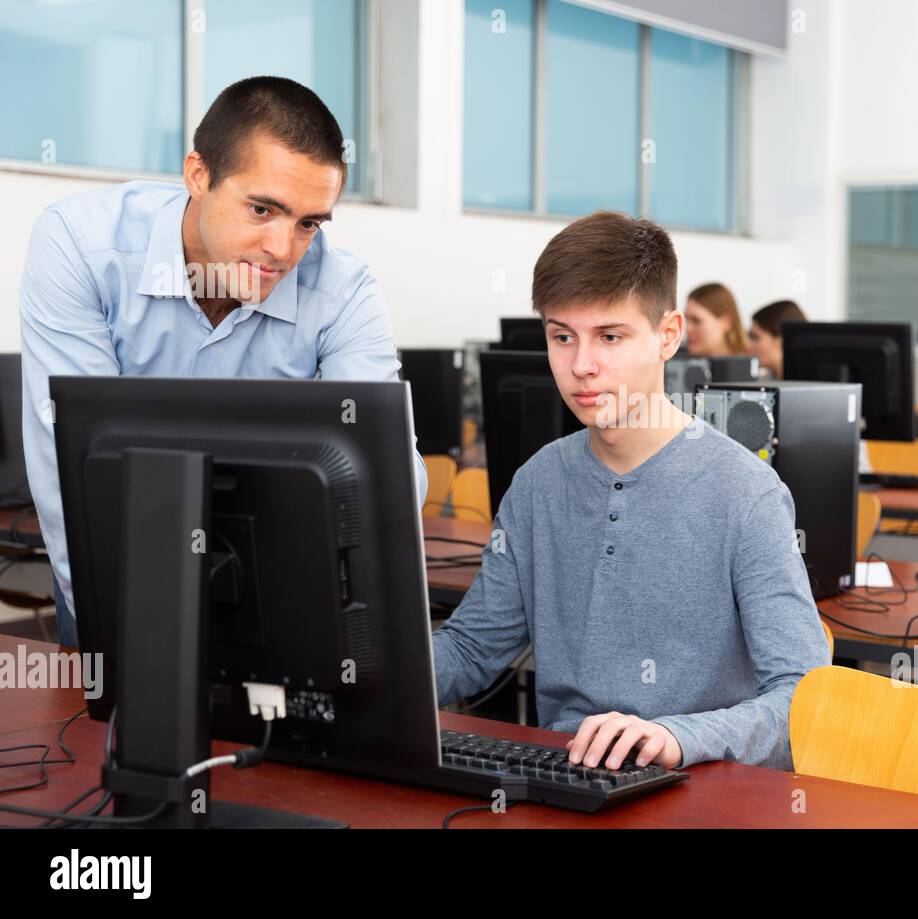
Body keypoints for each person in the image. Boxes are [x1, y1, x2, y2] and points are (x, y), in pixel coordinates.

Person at [20, 76, 425, 648]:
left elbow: (389, 478)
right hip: (115, 575)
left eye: (309, 222)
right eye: (262, 209)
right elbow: (72, 475)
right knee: (99, 737)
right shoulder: (81, 245)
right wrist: (141, 634)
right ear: (198, 175)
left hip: (277, 582)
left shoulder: (344, 290)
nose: (283, 250)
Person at [431, 212, 830, 771]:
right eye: (561, 337)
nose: (581, 366)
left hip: (699, 789)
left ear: (668, 336)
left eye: (610, 337)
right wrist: (363, 668)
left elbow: (804, 700)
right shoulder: (539, 482)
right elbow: (473, 649)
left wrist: (676, 737)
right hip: (570, 779)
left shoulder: (746, 492)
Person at [748, 299, 807, 379]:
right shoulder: (763, 382)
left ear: (782, 340)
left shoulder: (814, 386)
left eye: (755, 337)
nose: (748, 346)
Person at [684, 282, 746, 357]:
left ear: (726, 322)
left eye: (696, 321)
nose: (687, 329)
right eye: (687, 320)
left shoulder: (751, 367)